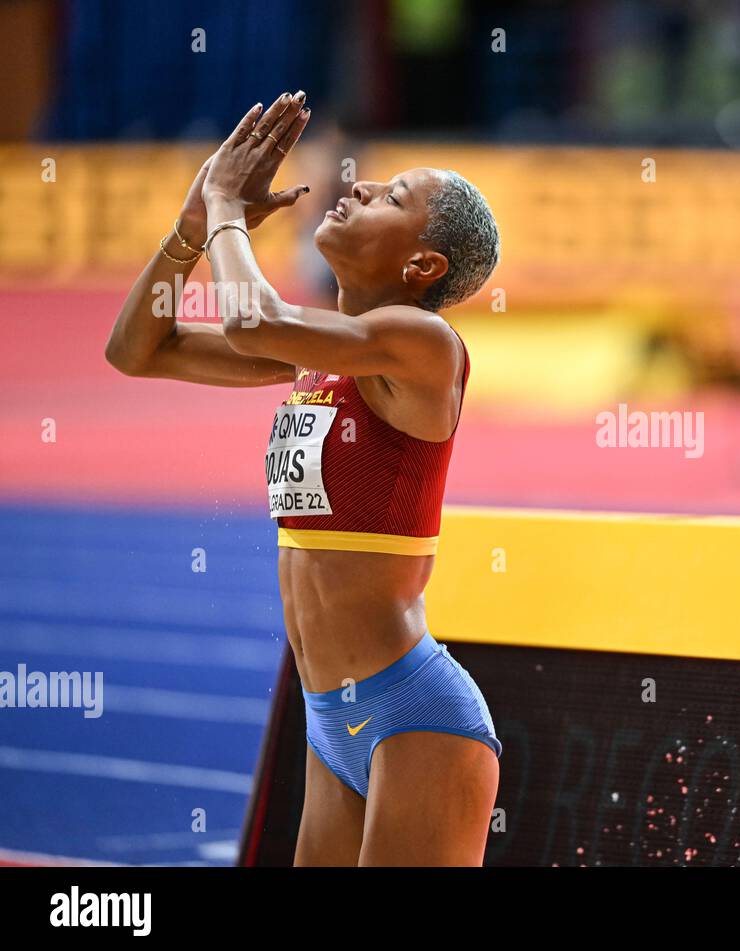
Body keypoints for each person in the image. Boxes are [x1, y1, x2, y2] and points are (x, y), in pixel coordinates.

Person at [105, 91, 502, 866]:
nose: (355, 186)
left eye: (391, 197)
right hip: (332, 716)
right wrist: (188, 233)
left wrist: (223, 203)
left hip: (414, 715)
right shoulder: (320, 353)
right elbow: (138, 350)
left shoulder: (422, 344)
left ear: (422, 265)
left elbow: (252, 319)